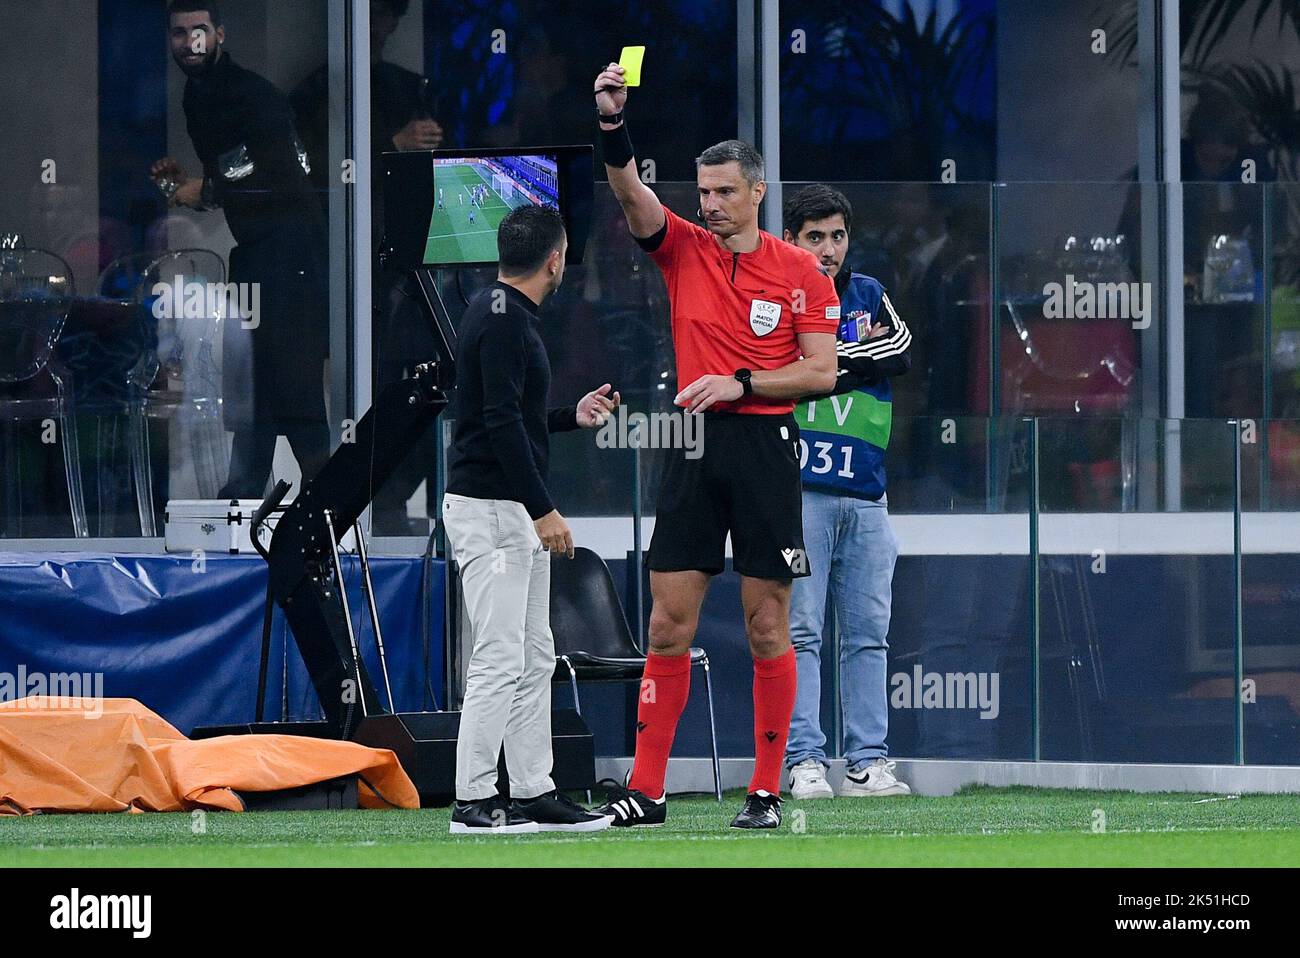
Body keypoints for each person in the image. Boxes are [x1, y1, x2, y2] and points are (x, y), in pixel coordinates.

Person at [589, 64, 839, 829]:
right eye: (703, 192)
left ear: (757, 192)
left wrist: (742, 383)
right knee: (668, 624)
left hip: (765, 450)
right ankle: (649, 789)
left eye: (725, 191)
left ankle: (765, 790)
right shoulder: (683, 249)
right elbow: (631, 194)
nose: (710, 204)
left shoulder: (801, 270)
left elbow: (822, 372)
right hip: (693, 449)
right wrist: (612, 125)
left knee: (768, 624)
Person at [443, 204, 620, 834]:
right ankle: (472, 800)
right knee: (498, 655)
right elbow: (496, 425)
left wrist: (569, 416)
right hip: (494, 510)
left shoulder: (500, 313)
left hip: (506, 507)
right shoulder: (503, 321)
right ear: (557, 258)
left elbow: (509, 418)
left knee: (535, 653)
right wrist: (543, 509)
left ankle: (533, 791)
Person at [152, 0, 330, 498]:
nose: (190, 42)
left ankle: (331, 502)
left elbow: (278, 176)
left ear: (220, 34)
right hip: (258, 252)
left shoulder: (251, 94)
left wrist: (204, 190)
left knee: (290, 384)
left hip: (293, 254)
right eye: (179, 32)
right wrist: (196, 188)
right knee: (257, 382)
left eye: (199, 31)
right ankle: (245, 492)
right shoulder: (198, 96)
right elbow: (242, 174)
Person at [780, 184, 914, 800]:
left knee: (868, 634)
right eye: (815, 237)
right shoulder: (778, 296)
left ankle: (867, 762)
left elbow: (902, 350)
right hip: (801, 489)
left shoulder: (869, 292)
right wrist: (853, 364)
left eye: (837, 236)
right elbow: (773, 372)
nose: (829, 249)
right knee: (801, 633)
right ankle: (805, 760)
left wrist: (827, 366)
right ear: (791, 239)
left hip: (866, 492)